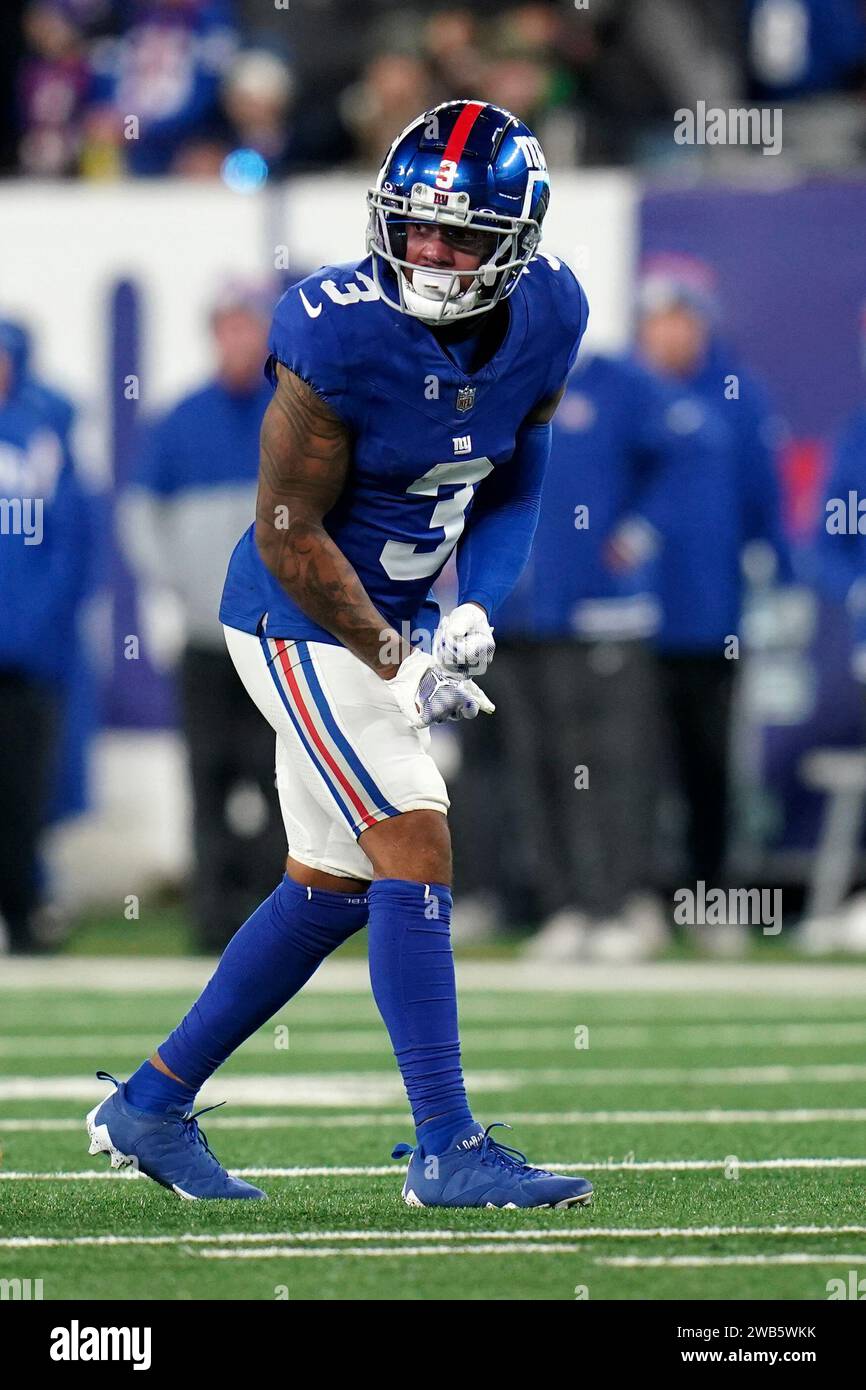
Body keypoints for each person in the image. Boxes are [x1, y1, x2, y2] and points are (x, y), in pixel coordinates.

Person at [87, 99, 594, 1209]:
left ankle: (151, 1103)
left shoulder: (549, 310)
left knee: (329, 886)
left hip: (387, 620)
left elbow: (514, 476)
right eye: (410, 226)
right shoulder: (335, 328)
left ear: (515, 242)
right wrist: (393, 658)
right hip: (295, 619)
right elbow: (285, 531)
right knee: (415, 834)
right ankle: (445, 1146)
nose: (426, 250)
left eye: (456, 235)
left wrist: (476, 608)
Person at [450, 348, 675, 961]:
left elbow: (685, 457)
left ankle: (620, 902)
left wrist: (637, 532)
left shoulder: (619, 383)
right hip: (517, 615)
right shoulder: (489, 386)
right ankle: (568, 905)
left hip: (600, 613)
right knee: (538, 764)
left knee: (607, 764)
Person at [120, 280, 286, 952]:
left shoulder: (294, 414)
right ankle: (213, 916)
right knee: (209, 774)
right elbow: (138, 518)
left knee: (279, 780)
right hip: (204, 639)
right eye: (229, 328)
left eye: (248, 327)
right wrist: (187, 588)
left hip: (277, 639)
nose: (239, 341)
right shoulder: (181, 419)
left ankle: (278, 917)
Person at [636, 256, 793, 906]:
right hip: (633, 619)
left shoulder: (739, 394)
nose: (669, 335)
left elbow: (766, 503)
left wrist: (780, 583)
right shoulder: (626, 392)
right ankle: (634, 898)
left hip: (712, 620)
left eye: (681, 320)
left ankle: (708, 896)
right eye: (658, 322)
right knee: (632, 771)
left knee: (710, 765)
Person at [0, 324, 87, 952]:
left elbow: (74, 546)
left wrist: (37, 631)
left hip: (30, 659)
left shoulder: (45, 437)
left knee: (25, 795)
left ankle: (25, 911)